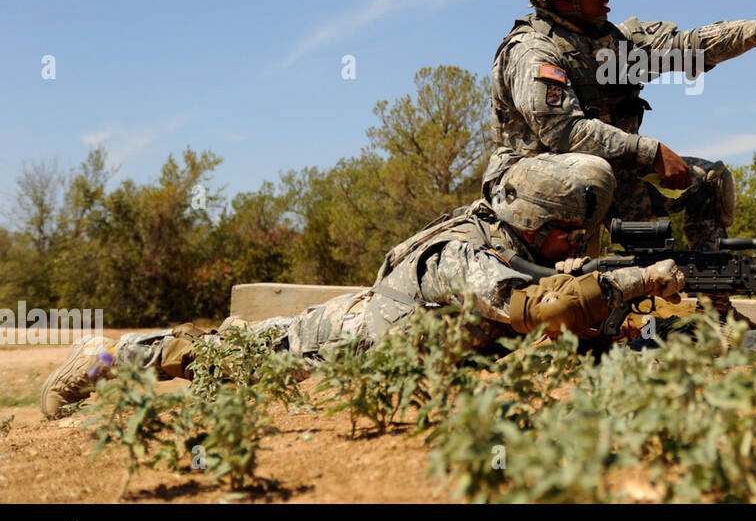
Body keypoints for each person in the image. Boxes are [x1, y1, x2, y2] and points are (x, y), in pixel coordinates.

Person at [40, 153, 684, 418]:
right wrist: (637, 278)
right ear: (537, 222)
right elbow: (545, 311)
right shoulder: (468, 255)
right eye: (571, 235)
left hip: (401, 343)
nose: (579, 248)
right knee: (227, 357)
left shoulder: (518, 248)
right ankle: (106, 356)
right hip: (341, 344)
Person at [485, 0, 756, 311]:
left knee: (707, 182)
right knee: (590, 173)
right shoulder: (533, 51)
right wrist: (650, 152)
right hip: (531, 192)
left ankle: (713, 304)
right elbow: (564, 132)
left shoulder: (613, 45)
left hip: (606, 176)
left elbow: (687, 46)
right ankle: (571, 299)